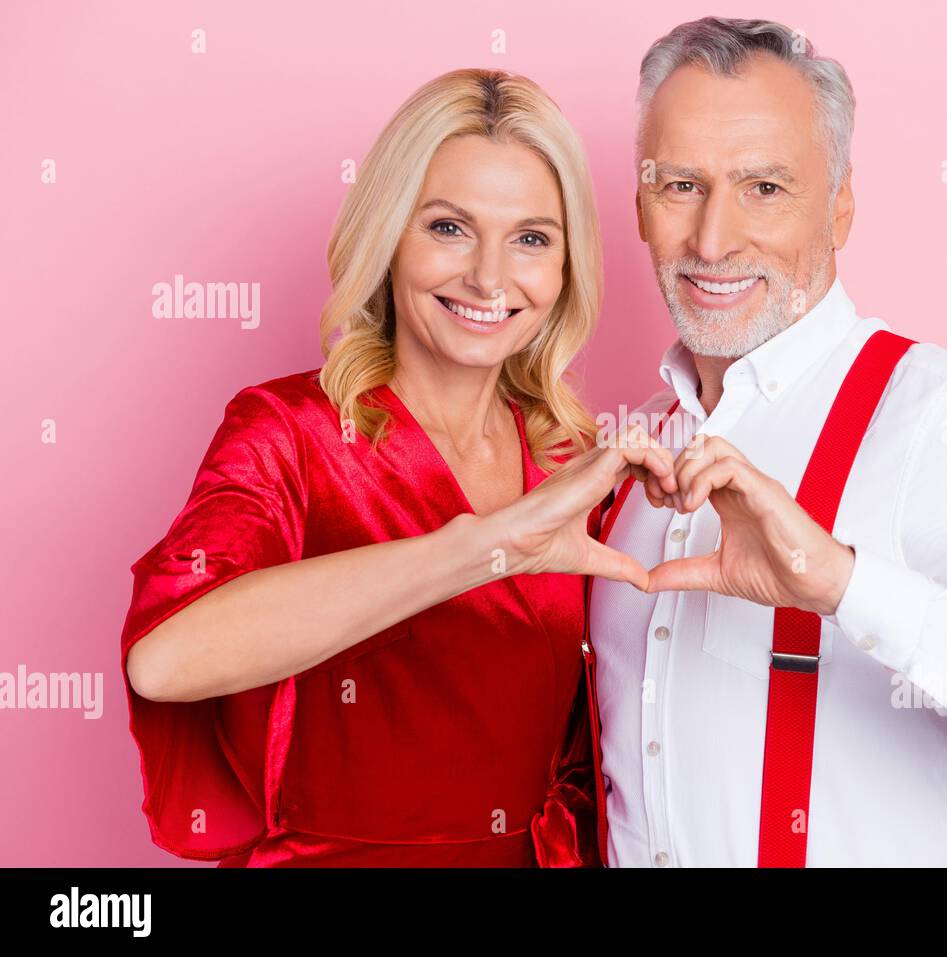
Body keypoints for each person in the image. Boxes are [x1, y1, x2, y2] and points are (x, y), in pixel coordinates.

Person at [585, 17, 947, 867]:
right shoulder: (629, 449)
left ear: (840, 207)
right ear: (640, 203)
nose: (713, 239)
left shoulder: (935, 415)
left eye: (764, 187)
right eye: (681, 184)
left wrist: (842, 582)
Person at [120, 68, 676, 867]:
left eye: (530, 237)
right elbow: (165, 658)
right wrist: (480, 546)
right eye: (449, 227)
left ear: (563, 270)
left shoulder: (566, 457)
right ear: (389, 236)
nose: (489, 276)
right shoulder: (289, 434)